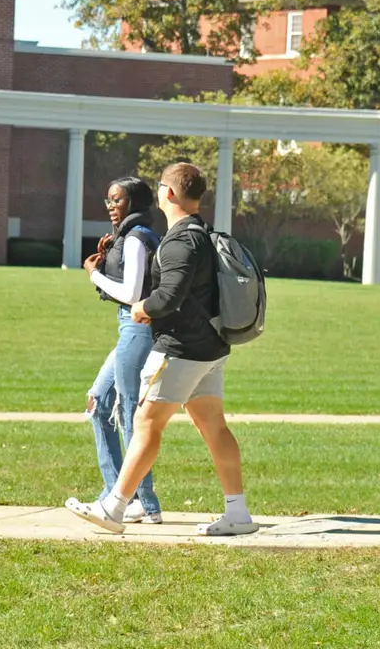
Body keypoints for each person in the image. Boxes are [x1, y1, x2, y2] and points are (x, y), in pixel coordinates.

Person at [65, 162, 257, 537]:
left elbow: (169, 296)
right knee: (213, 426)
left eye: (160, 188)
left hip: (180, 350)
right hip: (210, 350)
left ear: (168, 193)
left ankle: (116, 506)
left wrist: (142, 308)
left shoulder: (180, 240)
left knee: (146, 423)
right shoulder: (202, 232)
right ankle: (238, 513)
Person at [70, 176, 164, 523]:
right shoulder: (129, 237)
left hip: (138, 331)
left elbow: (132, 293)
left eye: (118, 200)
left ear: (135, 204)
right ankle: (117, 496)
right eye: (108, 200)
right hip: (130, 330)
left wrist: (94, 273)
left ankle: (141, 502)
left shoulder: (138, 238)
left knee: (128, 415)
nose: (111, 206)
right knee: (99, 402)